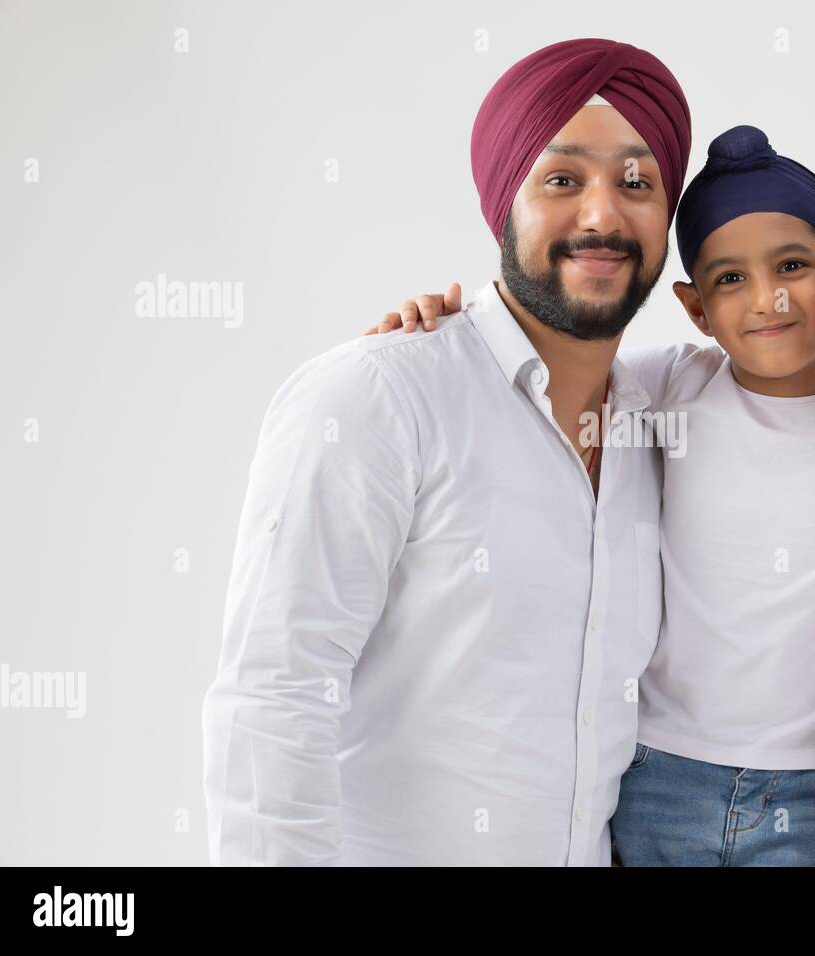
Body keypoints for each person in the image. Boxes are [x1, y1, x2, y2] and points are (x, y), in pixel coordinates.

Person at [201, 38, 691, 865]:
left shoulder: (665, 422)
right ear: (504, 200)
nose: (603, 216)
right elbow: (274, 700)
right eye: (563, 180)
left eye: (637, 182)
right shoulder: (379, 398)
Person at [370, 125, 815, 865]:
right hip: (657, 780)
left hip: (814, 791)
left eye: (792, 265)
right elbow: (539, 360)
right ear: (693, 308)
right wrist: (443, 326)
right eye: (729, 279)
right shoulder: (670, 386)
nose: (767, 298)